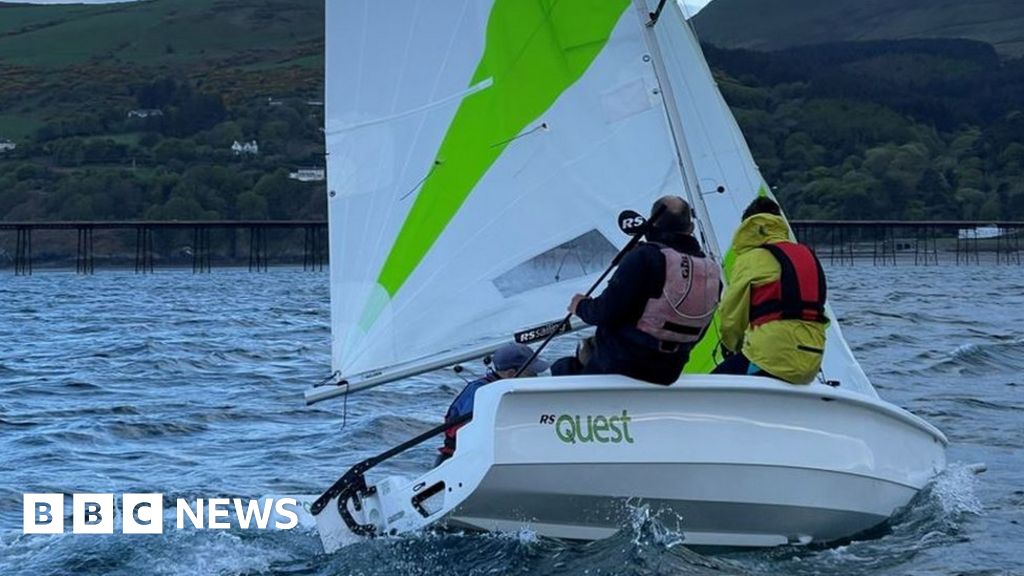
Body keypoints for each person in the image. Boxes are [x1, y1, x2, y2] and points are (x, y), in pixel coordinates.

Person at [553, 195, 721, 385]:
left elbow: (604, 312)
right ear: (690, 229)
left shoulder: (645, 257)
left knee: (562, 367)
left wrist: (580, 305)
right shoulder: (712, 272)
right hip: (668, 373)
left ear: (652, 222)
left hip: (619, 366)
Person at [713, 197, 828, 384]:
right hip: (813, 359)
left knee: (713, 385)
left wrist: (730, 346)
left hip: (771, 359)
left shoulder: (751, 258)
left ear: (748, 227)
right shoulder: (808, 255)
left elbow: (731, 316)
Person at [436, 342, 549, 465]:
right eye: (531, 373)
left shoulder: (512, 392)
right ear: (511, 374)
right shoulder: (479, 391)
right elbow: (468, 431)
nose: (536, 377)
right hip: (457, 461)